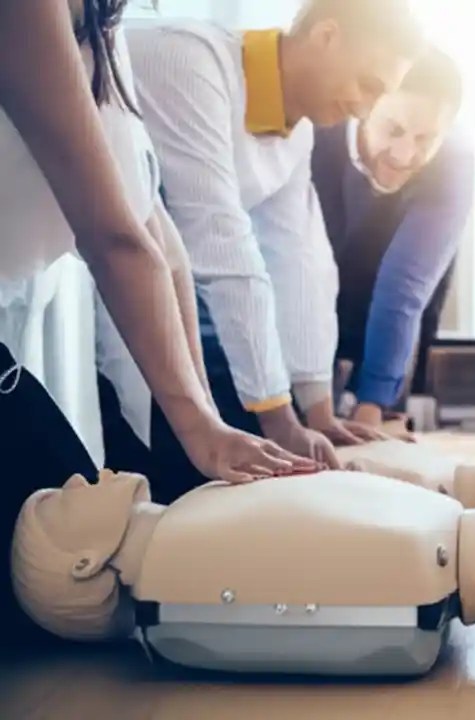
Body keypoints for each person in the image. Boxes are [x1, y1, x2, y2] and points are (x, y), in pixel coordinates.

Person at [0, 0, 311, 646]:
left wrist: (207, 425)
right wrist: (199, 426)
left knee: (90, 560)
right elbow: (114, 239)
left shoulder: (103, 21)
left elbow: (155, 236)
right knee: (67, 561)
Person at [120, 0, 422, 483]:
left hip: (150, 299)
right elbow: (221, 241)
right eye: (368, 86)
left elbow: (301, 261)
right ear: (326, 37)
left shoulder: (295, 134)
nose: (365, 110)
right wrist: (278, 417)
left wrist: (317, 412)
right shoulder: (193, 64)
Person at [312, 46, 475, 429]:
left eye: (425, 139)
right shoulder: (319, 133)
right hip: (318, 277)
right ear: (366, 107)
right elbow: (297, 269)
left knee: (376, 428)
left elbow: (404, 286)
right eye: (394, 130)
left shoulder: (455, 163)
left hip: (399, 303)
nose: (404, 154)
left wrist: (373, 405)